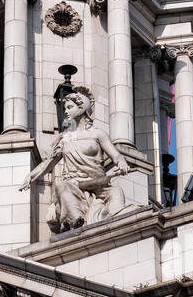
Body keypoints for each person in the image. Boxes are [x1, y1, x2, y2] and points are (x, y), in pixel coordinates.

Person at [20, 89, 130, 232]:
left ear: (82, 107)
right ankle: (77, 221)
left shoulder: (98, 134)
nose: (66, 111)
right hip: (75, 185)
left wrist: (121, 162)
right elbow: (48, 164)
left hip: (98, 185)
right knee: (62, 186)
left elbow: (116, 156)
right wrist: (31, 176)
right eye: (65, 108)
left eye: (70, 107)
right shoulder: (65, 138)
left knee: (117, 192)